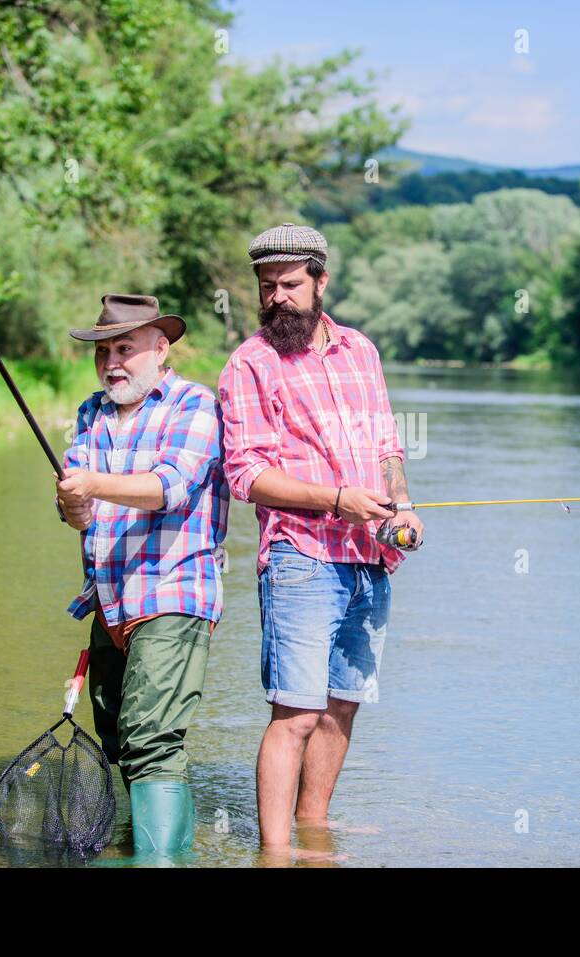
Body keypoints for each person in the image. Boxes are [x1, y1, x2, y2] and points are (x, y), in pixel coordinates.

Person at [217, 223, 424, 855]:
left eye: (289, 285)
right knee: (296, 715)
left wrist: (404, 508)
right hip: (299, 558)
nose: (276, 298)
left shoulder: (362, 350)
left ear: (321, 281)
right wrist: (337, 500)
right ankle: (275, 853)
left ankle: (314, 830)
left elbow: (387, 446)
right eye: (266, 287)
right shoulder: (250, 363)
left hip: (370, 558)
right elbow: (245, 475)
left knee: (342, 707)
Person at [55, 293, 228, 857]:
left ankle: (158, 859)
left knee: (151, 737)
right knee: (118, 741)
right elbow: (78, 510)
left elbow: (168, 486)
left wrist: (93, 486)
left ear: (161, 346)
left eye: (124, 348)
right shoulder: (90, 413)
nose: (112, 362)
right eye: (103, 351)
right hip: (107, 600)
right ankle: (171, 846)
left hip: (173, 592)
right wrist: (74, 504)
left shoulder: (194, 405)